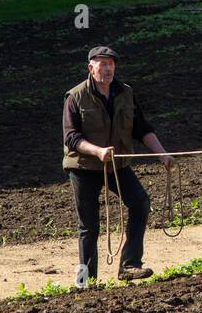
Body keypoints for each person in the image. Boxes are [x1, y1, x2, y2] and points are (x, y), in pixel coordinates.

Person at [61, 46, 174, 282]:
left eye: (111, 64)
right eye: (102, 64)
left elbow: (141, 127)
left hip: (116, 165)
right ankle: (86, 280)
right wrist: (98, 151)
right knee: (89, 225)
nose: (108, 68)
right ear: (90, 68)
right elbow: (71, 138)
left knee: (140, 202)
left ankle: (130, 265)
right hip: (83, 167)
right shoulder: (75, 96)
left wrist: (162, 155)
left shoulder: (126, 93)